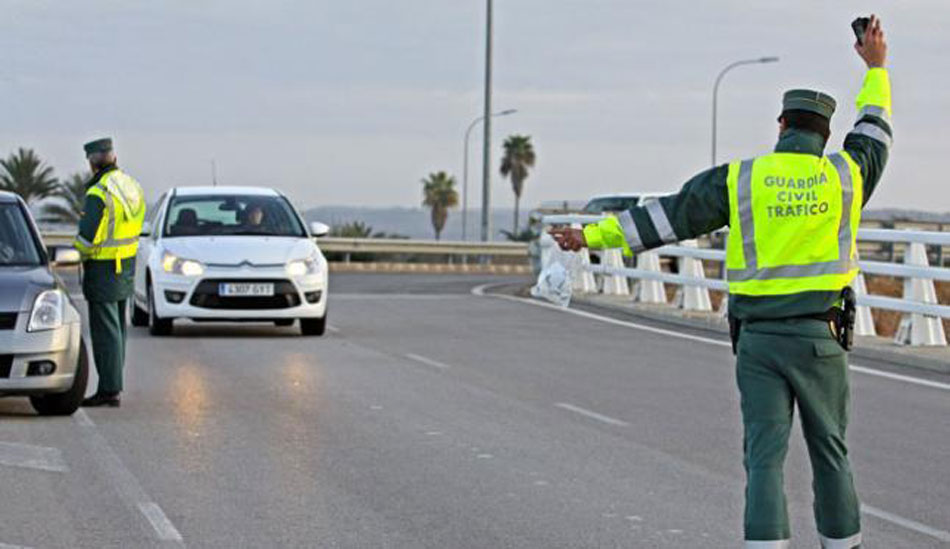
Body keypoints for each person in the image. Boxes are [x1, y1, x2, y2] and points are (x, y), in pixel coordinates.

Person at [552, 16, 890, 548]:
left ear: (781, 126)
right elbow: (874, 130)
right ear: (825, 135)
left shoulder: (742, 179)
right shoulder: (845, 176)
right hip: (822, 339)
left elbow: (665, 218)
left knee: (764, 459)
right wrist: (876, 68)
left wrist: (589, 234)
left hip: (758, 341)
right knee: (830, 451)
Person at [72, 138, 146, 408]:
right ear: (113, 157)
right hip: (125, 265)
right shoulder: (130, 185)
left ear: (91, 162)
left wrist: (75, 253)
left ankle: (109, 389)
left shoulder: (98, 193)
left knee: (105, 333)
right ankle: (113, 384)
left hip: (103, 268)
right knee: (118, 331)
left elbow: (87, 239)